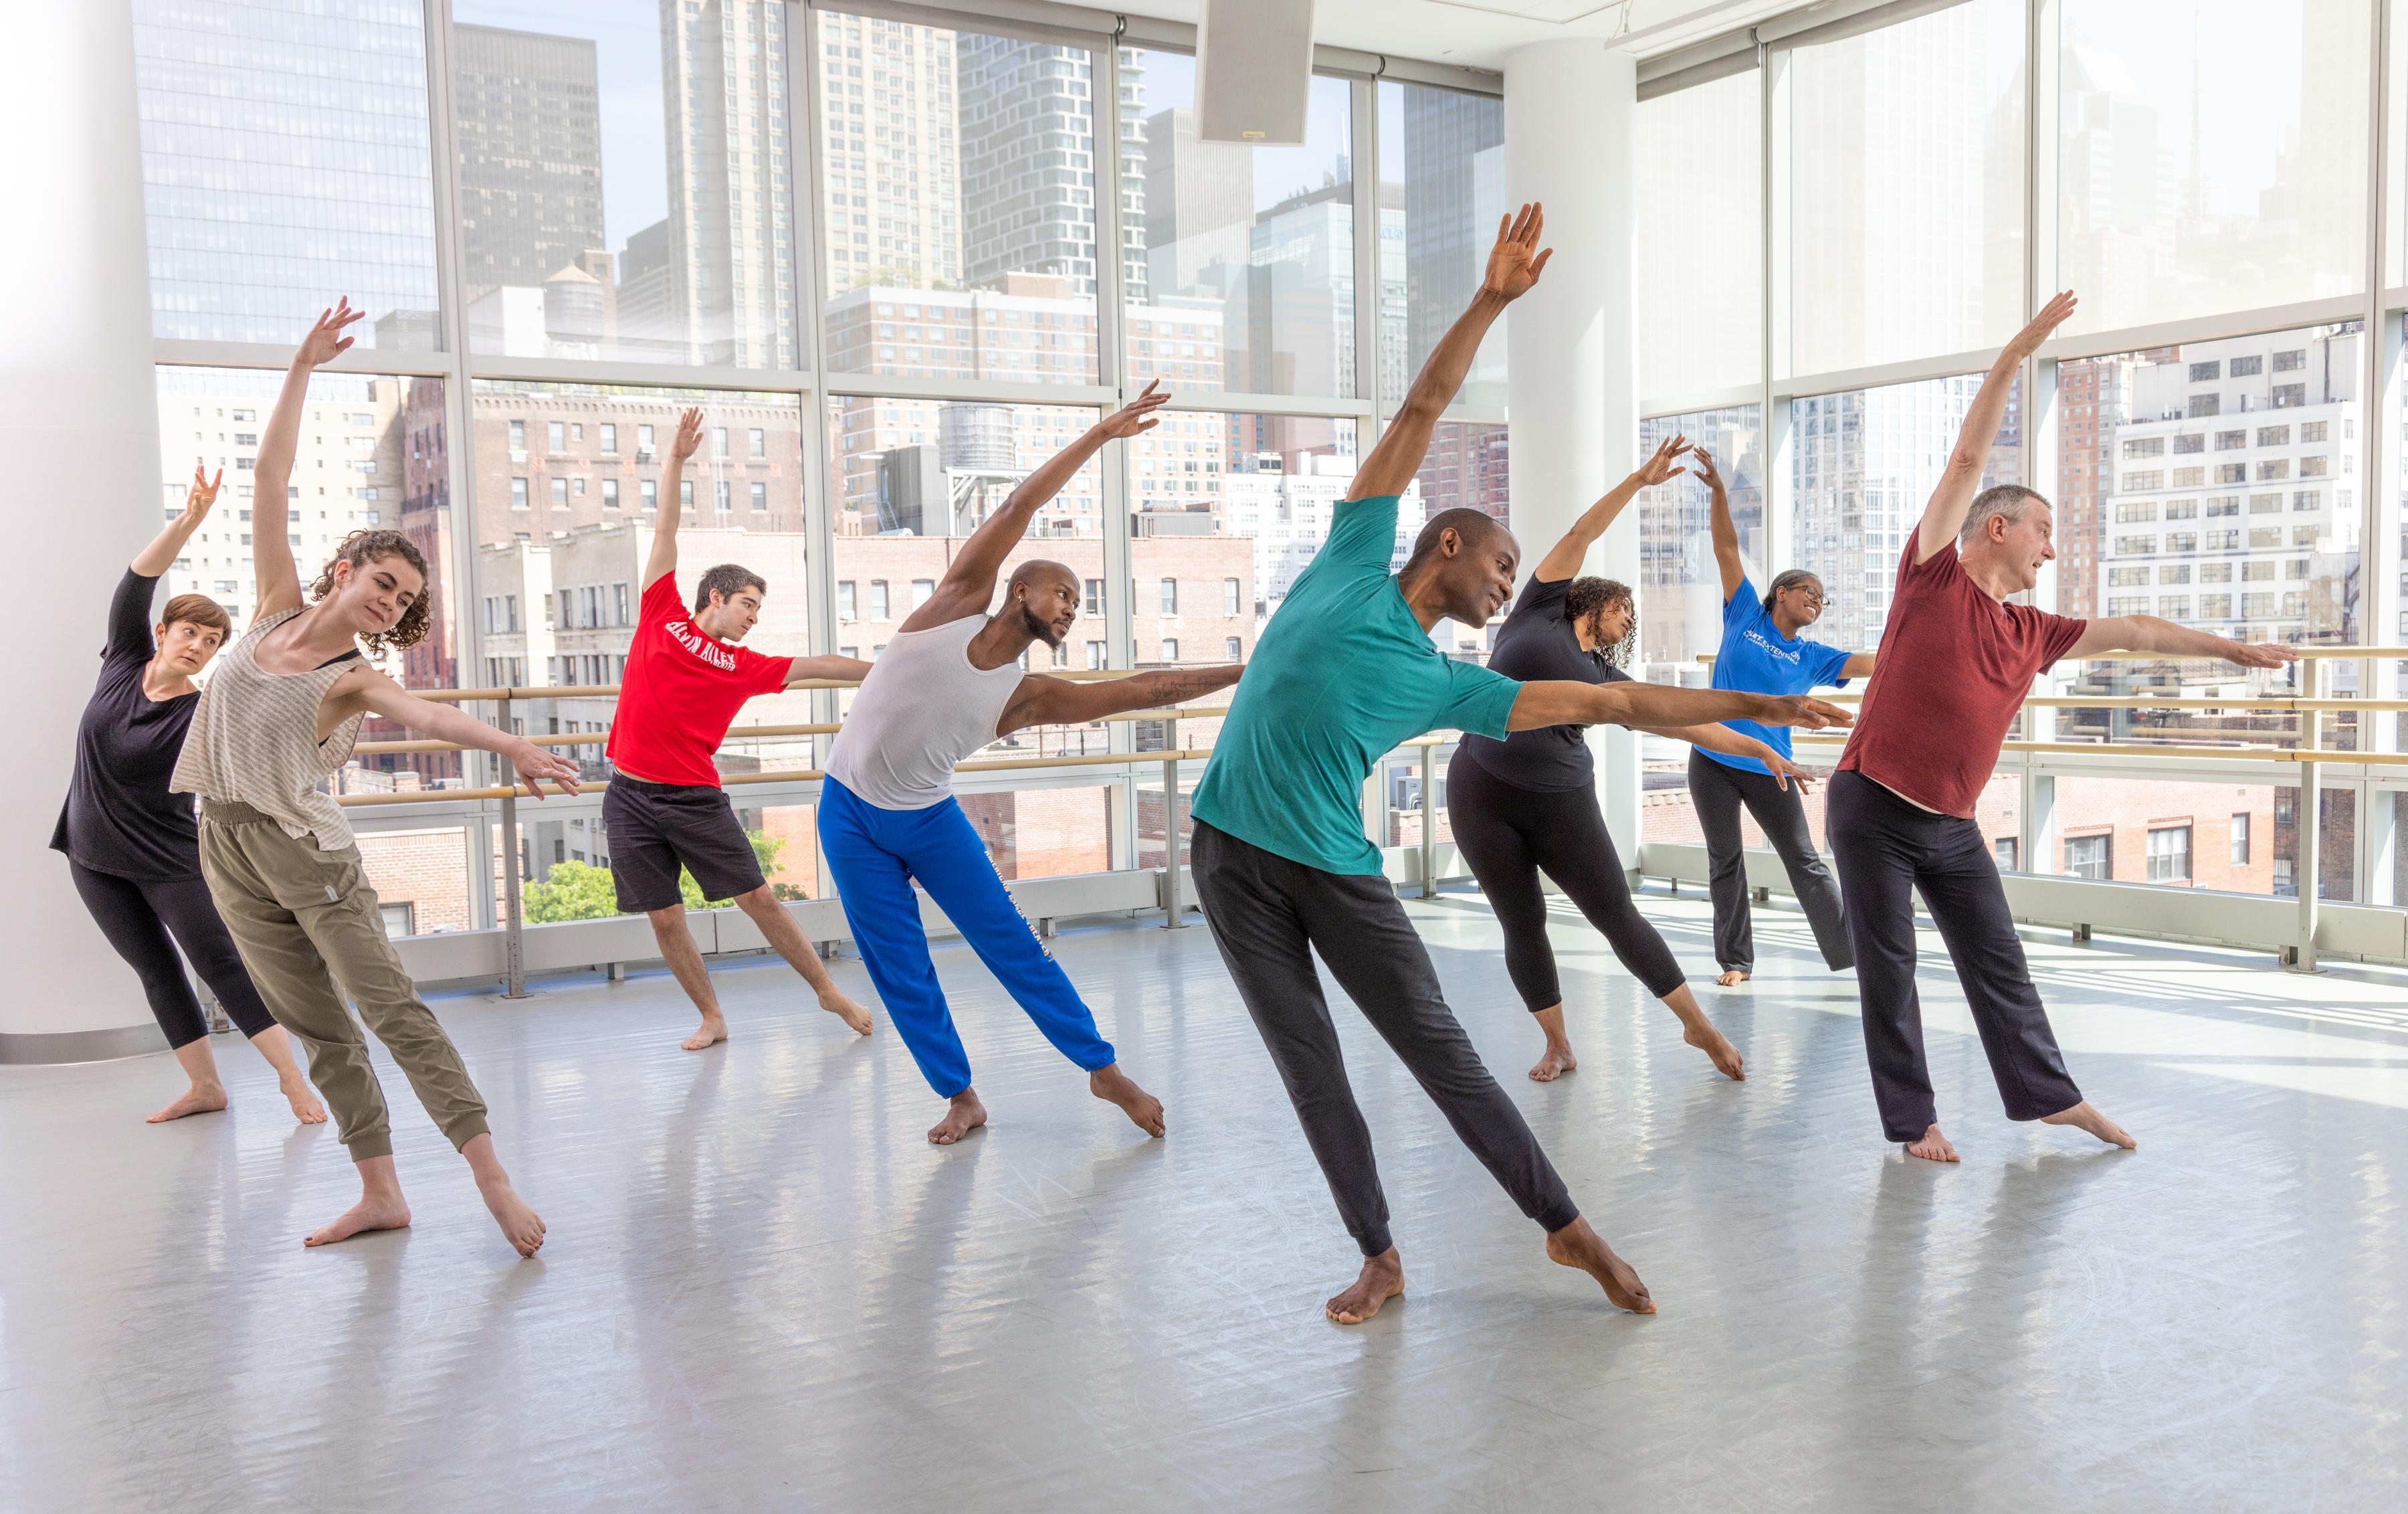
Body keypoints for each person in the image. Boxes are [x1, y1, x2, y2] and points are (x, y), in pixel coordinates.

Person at [1187, 205, 1850, 1324]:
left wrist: (1764, 702)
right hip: (1225, 855)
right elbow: (1421, 407)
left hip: (1336, 870)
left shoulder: (1452, 682)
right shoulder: (1349, 558)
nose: (1507, 585)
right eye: (1499, 563)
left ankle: (1564, 1223)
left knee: (1440, 1051)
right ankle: (1379, 1255)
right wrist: (1490, 299)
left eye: (1515, 574)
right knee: (1311, 1065)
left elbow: (1617, 702)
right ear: (1445, 543)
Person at [1826, 289, 2297, 1163]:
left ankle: (2050, 1098)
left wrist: (2231, 650)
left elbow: (2139, 631)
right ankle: (1913, 1121)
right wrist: (2016, 355)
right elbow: (1969, 456)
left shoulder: (2034, 633)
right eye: (2043, 531)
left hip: (1952, 826)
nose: (2051, 548)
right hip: (1873, 807)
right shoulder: (1932, 576)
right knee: (1890, 968)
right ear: (1996, 526)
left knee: (1999, 961)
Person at [172, 300, 581, 1254]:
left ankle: (492, 1178)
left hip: (307, 857)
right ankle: (381, 1193)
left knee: (394, 1012)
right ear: (346, 568)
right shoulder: (274, 609)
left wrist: (512, 746)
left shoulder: (354, 677)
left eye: (402, 601)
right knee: (320, 1028)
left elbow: (431, 717)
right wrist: (302, 366)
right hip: (223, 842)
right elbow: (270, 478)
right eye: (383, 582)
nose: (390, 602)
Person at [819, 380, 1241, 1146]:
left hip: (926, 819)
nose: (1073, 606)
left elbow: (1147, 689)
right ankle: (961, 1096)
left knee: (1012, 946)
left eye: (1079, 602)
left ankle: (1102, 1068)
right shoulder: (953, 605)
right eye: (1064, 593)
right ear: (1021, 590)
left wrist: (1249, 668)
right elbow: (1018, 505)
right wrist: (1100, 435)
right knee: (899, 964)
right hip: (846, 809)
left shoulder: (1028, 696)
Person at [1447, 432, 1819, 1086]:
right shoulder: (1537, 611)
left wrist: (1761, 746)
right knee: (1522, 920)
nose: (1629, 620)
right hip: (1480, 788)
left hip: (1560, 799)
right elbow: (1582, 532)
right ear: (1593, 599)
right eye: (1623, 609)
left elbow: (1689, 725)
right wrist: (1638, 482)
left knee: (1616, 913)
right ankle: (1558, 1044)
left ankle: (1697, 1023)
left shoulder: (1603, 678)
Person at [53, 463, 326, 1127]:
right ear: (162, 632)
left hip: (171, 860)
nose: (198, 646)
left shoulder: (203, 711)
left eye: (210, 642)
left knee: (221, 964)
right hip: (91, 854)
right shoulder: (123, 661)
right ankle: (205, 1087)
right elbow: (136, 582)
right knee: (156, 970)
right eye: (189, 633)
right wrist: (188, 521)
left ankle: (293, 1080)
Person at [605, 406, 876, 1052]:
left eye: (759, 608)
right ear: (716, 597)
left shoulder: (746, 665)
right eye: (748, 604)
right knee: (664, 917)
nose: (754, 617)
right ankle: (712, 1017)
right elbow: (665, 527)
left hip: (693, 798)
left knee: (759, 900)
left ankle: (827, 991)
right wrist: (675, 460)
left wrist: (892, 671)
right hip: (628, 794)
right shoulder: (660, 612)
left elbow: (820, 664)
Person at [1689, 443, 1871, 987]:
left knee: (1804, 861)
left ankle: (1853, 957)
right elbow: (1726, 547)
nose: (1817, 601)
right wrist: (1719, 493)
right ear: (1781, 592)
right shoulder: (1745, 613)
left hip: (1771, 766)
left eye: (1823, 599)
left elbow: (1872, 662)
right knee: (1725, 860)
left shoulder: (1813, 656)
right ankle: (1736, 962)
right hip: (1712, 756)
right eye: (1810, 592)